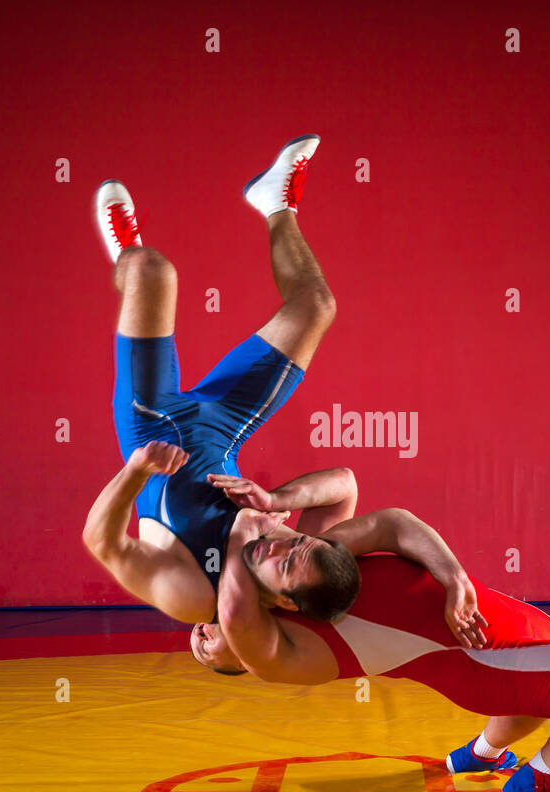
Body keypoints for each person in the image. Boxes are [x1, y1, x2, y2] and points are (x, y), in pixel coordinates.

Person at [197, 475, 550, 792]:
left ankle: (482, 754)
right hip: (483, 662)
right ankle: (536, 784)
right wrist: (243, 529)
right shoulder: (283, 648)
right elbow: (236, 616)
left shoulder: (306, 561)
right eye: (214, 641)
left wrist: (273, 500)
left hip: (500, 618)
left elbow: (374, 508)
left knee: (540, 687)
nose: (277, 540)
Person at [81, 135, 361, 625]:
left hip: (152, 428)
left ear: (283, 603)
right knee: (316, 306)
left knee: (151, 269)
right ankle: (276, 202)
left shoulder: (196, 594)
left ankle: (126, 259)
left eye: (284, 565)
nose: (278, 545)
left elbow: (102, 543)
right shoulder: (309, 557)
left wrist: (138, 471)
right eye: (294, 541)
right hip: (227, 424)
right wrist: (278, 501)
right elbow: (345, 485)